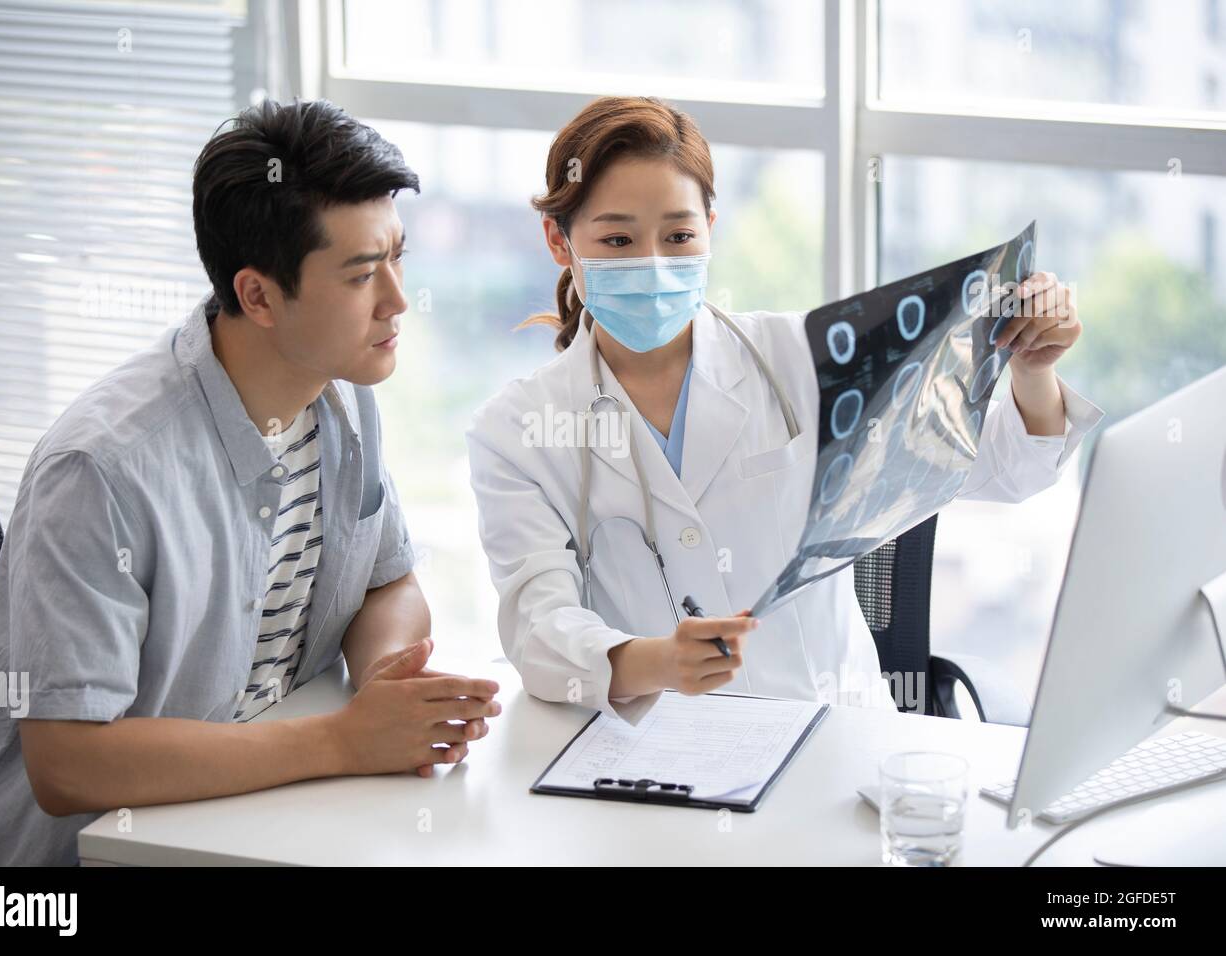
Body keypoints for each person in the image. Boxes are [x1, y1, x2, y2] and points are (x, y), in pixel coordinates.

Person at [0, 99, 500, 866]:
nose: (399, 299)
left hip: (246, 824)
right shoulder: (102, 470)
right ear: (259, 295)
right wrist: (339, 741)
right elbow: (67, 763)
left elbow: (387, 583)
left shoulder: (341, 393)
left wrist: (382, 685)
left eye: (398, 256)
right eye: (363, 273)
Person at [466, 95, 1103, 724]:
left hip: (831, 737)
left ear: (710, 229)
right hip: (651, 757)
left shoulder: (801, 358)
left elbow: (1008, 468)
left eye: (679, 235)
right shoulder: (516, 431)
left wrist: (1031, 367)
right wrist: (659, 663)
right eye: (618, 239)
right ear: (558, 240)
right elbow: (538, 630)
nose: (652, 264)